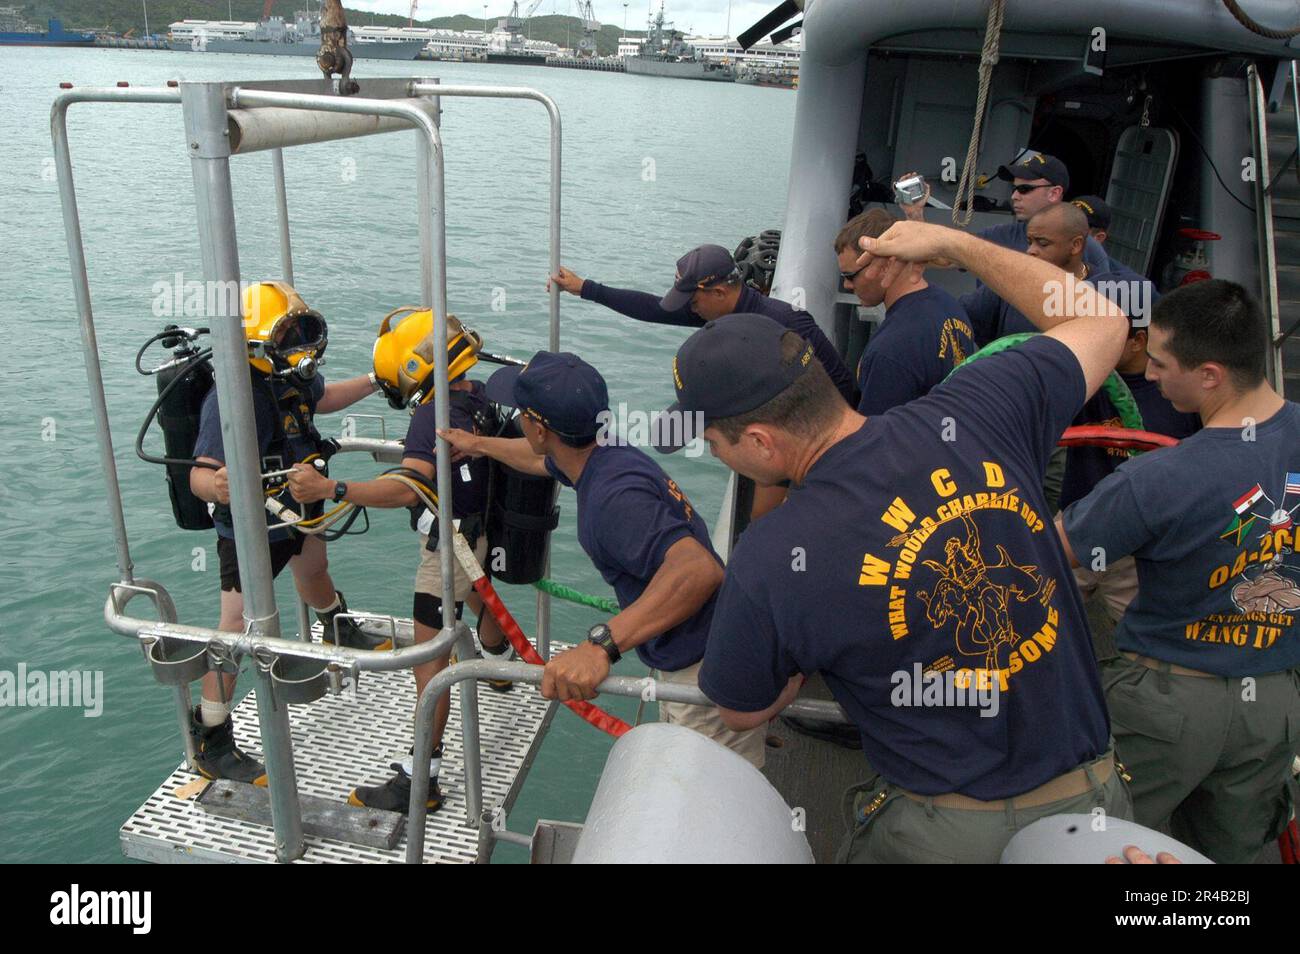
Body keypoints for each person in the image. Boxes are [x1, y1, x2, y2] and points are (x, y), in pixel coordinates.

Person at [666, 220, 1135, 863]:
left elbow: (743, 709)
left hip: (945, 833)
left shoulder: (774, 557)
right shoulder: (978, 405)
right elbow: (1104, 322)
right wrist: (958, 247)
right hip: (1097, 803)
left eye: (715, 443)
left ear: (760, 443)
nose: (717, 455)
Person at [1057, 279, 1300, 864]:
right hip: (1273, 704)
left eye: (1162, 364)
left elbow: (1052, 549)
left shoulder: (1156, 479)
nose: (1153, 377)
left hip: (1166, 706)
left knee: (1089, 839)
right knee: (1226, 861)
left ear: (1211, 373)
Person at [438, 351, 768, 767]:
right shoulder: (601, 451)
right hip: (710, 645)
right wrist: (478, 444)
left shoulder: (613, 499)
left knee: (709, 805)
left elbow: (698, 569)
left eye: (521, 415)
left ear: (539, 428)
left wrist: (601, 647)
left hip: (705, 673)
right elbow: (541, 458)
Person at [286, 308, 513, 813]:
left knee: (427, 666)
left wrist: (333, 488)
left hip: (449, 549)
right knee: (478, 594)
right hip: (479, 535)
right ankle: (499, 661)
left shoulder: (430, 417)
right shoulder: (477, 397)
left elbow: (408, 485)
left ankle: (421, 779)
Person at [188, 281, 385, 784]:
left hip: (301, 501)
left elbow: (324, 398)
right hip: (253, 526)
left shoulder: (288, 377)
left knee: (314, 567)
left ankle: (337, 625)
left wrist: (375, 379)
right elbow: (197, 475)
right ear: (256, 344)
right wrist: (219, 485)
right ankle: (210, 732)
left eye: (305, 332)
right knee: (236, 625)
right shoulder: (233, 398)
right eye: (289, 335)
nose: (301, 347)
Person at [547, 244, 855, 404]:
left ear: (719, 292)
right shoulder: (718, 311)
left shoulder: (786, 323)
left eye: (692, 301)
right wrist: (585, 288)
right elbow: (654, 309)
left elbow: (842, 388)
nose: (689, 309)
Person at [835, 208, 975, 415]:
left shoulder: (888, 351)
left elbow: (879, 440)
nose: (847, 285)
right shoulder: (950, 306)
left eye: (850, 275)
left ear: (886, 265)